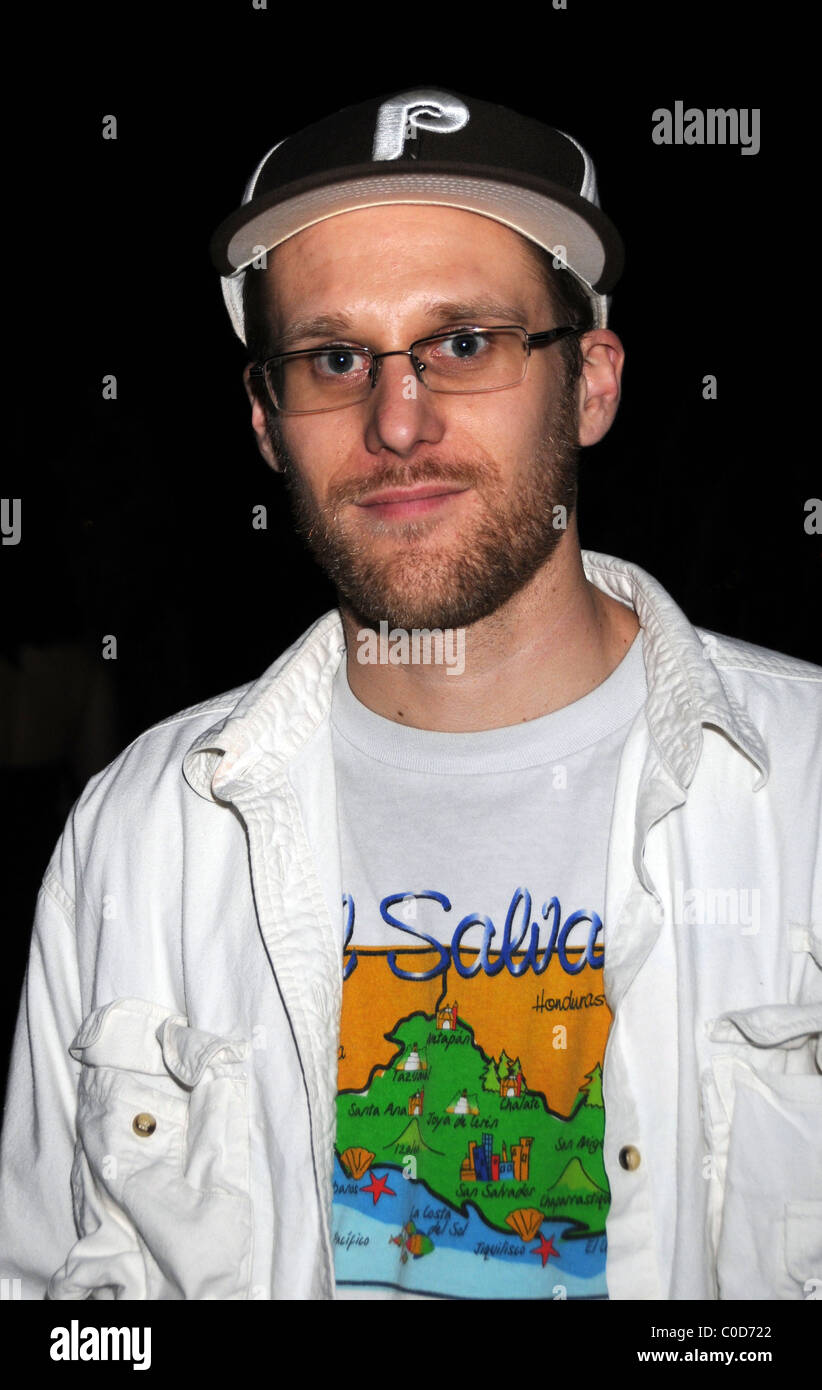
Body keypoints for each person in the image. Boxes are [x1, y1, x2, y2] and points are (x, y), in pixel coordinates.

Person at [1, 86, 820, 1303]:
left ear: (591, 383)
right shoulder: (139, 839)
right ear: (269, 422)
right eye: (336, 357)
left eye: (465, 343)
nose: (398, 421)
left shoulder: (801, 796)